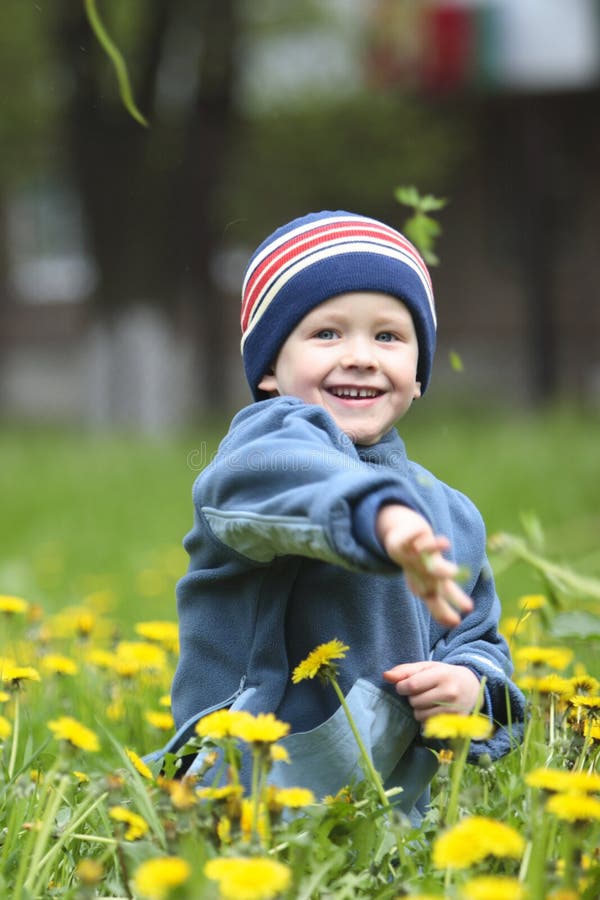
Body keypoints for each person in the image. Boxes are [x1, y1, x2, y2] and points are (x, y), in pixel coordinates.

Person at [160, 210, 524, 820]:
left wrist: (469, 687)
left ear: (418, 374)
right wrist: (375, 519)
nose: (359, 356)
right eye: (327, 334)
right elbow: (292, 486)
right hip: (242, 792)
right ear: (271, 368)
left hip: (385, 812)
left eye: (388, 336)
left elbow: (477, 633)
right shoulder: (263, 448)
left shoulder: (450, 515)